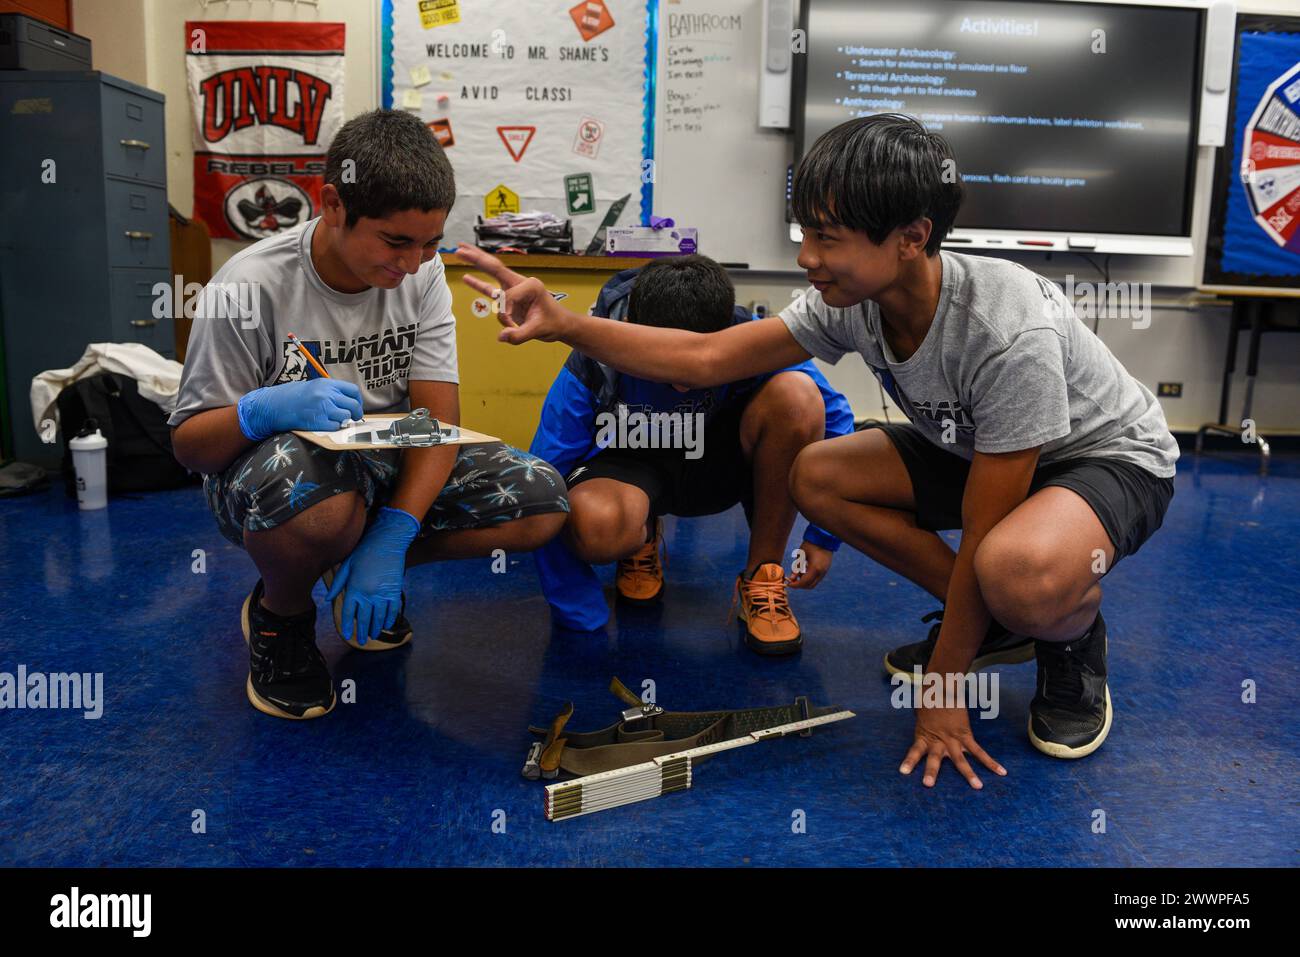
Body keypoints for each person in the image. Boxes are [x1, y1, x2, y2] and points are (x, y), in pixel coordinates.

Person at [457, 113, 1178, 787]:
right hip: (968, 446)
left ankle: (1070, 639)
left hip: (1101, 458)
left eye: (827, 238)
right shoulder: (856, 299)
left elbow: (989, 524)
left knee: (1012, 568)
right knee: (820, 475)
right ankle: (993, 624)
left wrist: (944, 688)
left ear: (911, 236)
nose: (806, 257)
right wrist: (563, 323)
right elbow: (707, 358)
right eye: (806, 232)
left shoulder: (1006, 331)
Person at [169, 109, 568, 720]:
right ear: (332, 204)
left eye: (430, 243)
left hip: (381, 462)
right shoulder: (246, 287)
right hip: (279, 481)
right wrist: (260, 411)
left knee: (541, 500)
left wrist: (395, 532)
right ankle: (283, 614)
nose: (413, 264)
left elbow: (437, 421)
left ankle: (358, 563)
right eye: (395, 241)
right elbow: (191, 447)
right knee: (318, 504)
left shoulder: (424, 272)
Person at [529, 254, 855, 653]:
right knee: (598, 525)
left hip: (721, 466)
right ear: (632, 334)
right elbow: (544, 483)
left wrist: (824, 538)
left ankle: (761, 577)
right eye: (668, 365)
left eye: (698, 368)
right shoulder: (596, 359)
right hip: (633, 462)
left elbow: (837, 424)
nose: (684, 385)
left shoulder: (750, 338)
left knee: (798, 397)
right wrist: (578, 611)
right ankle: (638, 538)